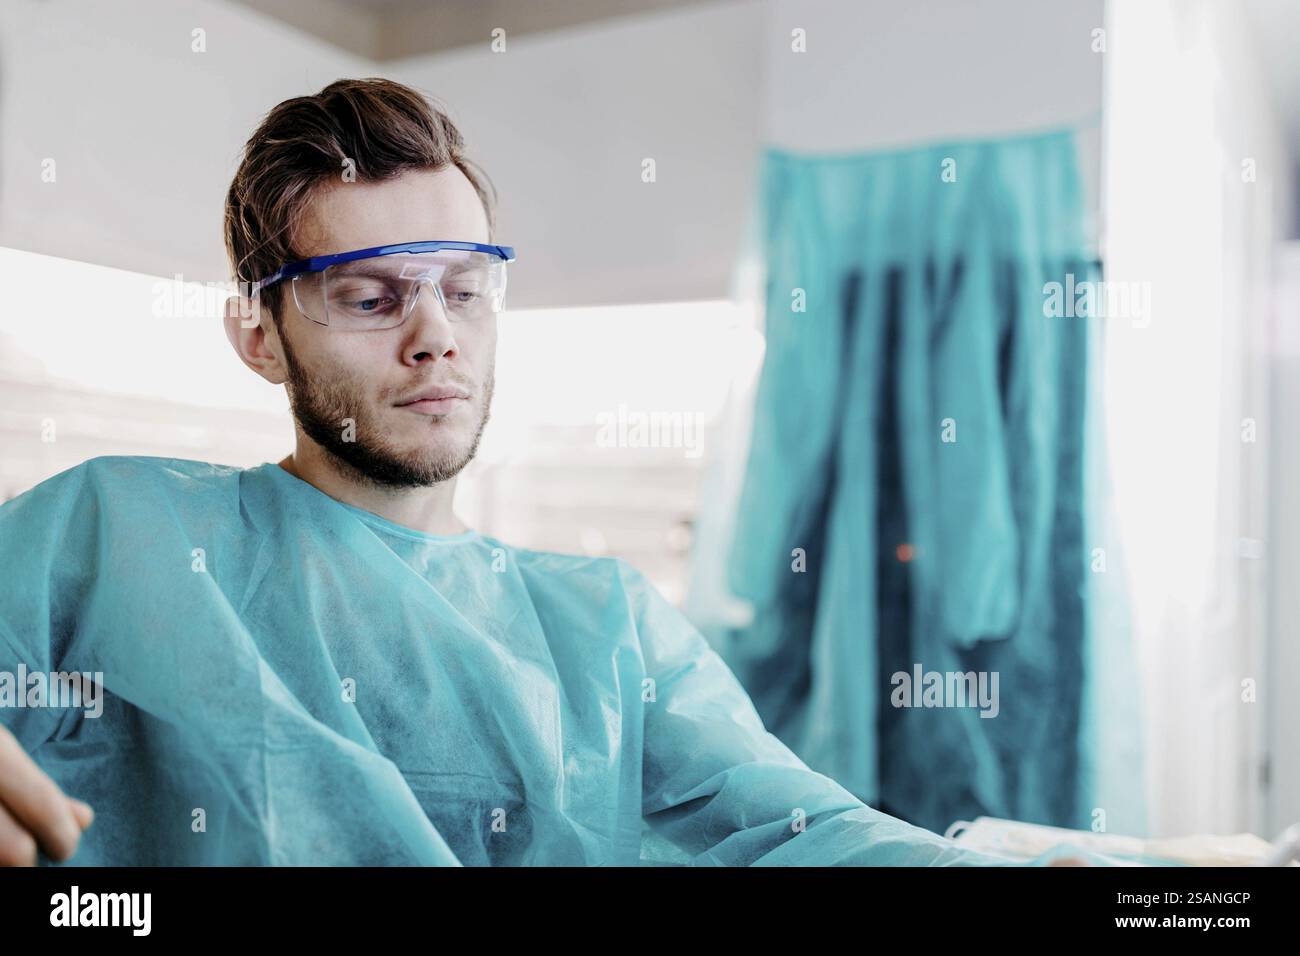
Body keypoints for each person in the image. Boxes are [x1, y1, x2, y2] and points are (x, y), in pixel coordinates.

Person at [0, 78, 1068, 867]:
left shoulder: (605, 627)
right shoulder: (113, 534)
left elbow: (804, 829)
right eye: (372, 298)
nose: (435, 339)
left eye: (462, 290)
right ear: (260, 337)